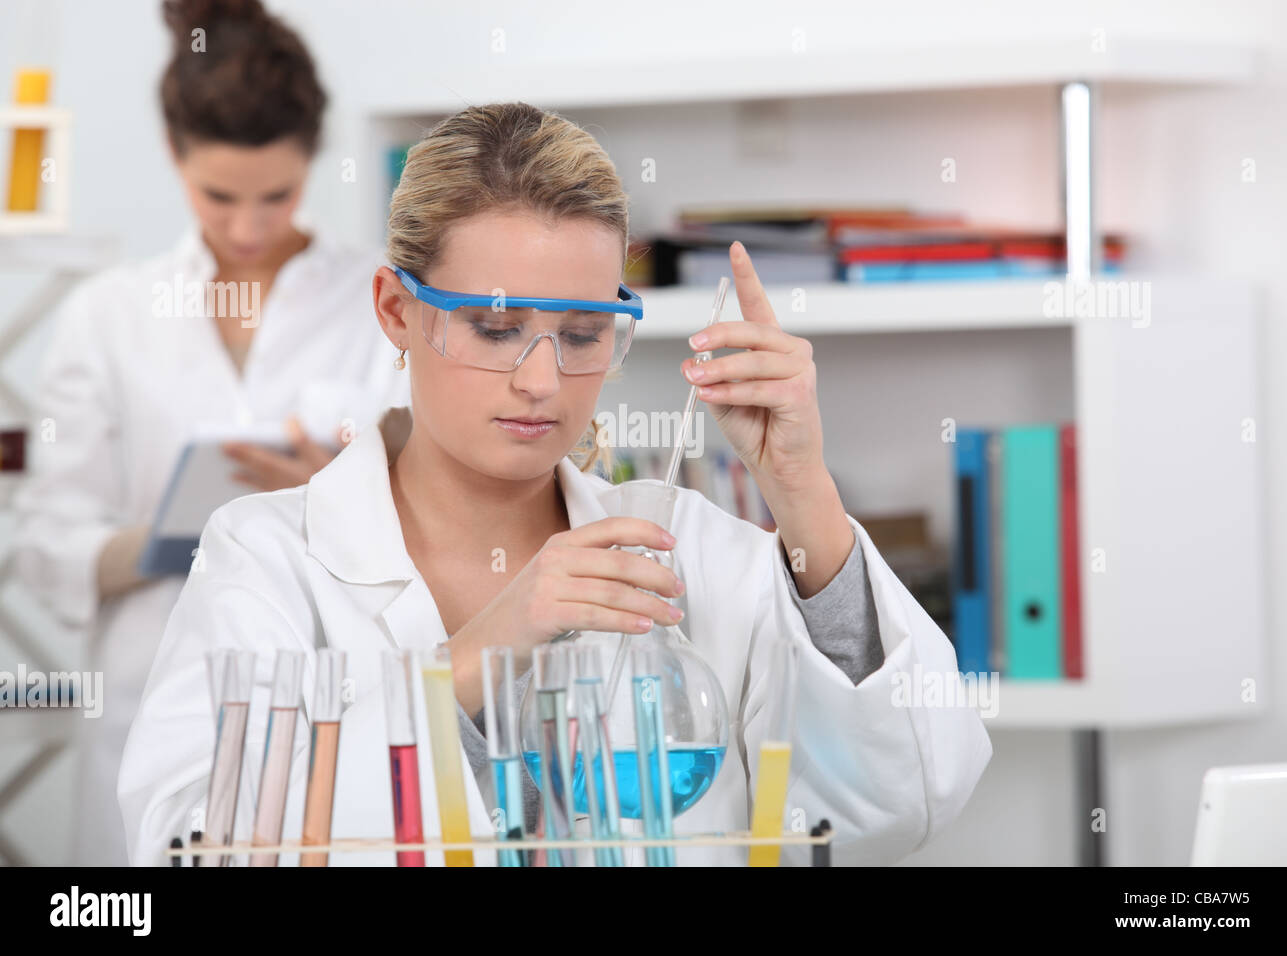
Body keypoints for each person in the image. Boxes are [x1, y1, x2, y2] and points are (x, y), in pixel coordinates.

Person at [119, 101, 991, 867]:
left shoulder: (679, 547)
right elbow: (190, 848)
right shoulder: (268, 558)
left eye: (582, 333)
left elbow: (904, 800)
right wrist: (475, 660)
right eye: (497, 328)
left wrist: (802, 491)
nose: (541, 380)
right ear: (395, 309)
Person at [10, 0, 406, 866]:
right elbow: (45, 538)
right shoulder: (108, 315)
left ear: (311, 164)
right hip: (149, 693)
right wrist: (156, 546)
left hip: (336, 686)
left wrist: (344, 486)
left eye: (279, 195)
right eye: (218, 196)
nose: (248, 227)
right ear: (173, 156)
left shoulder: (384, 299)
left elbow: (444, 497)